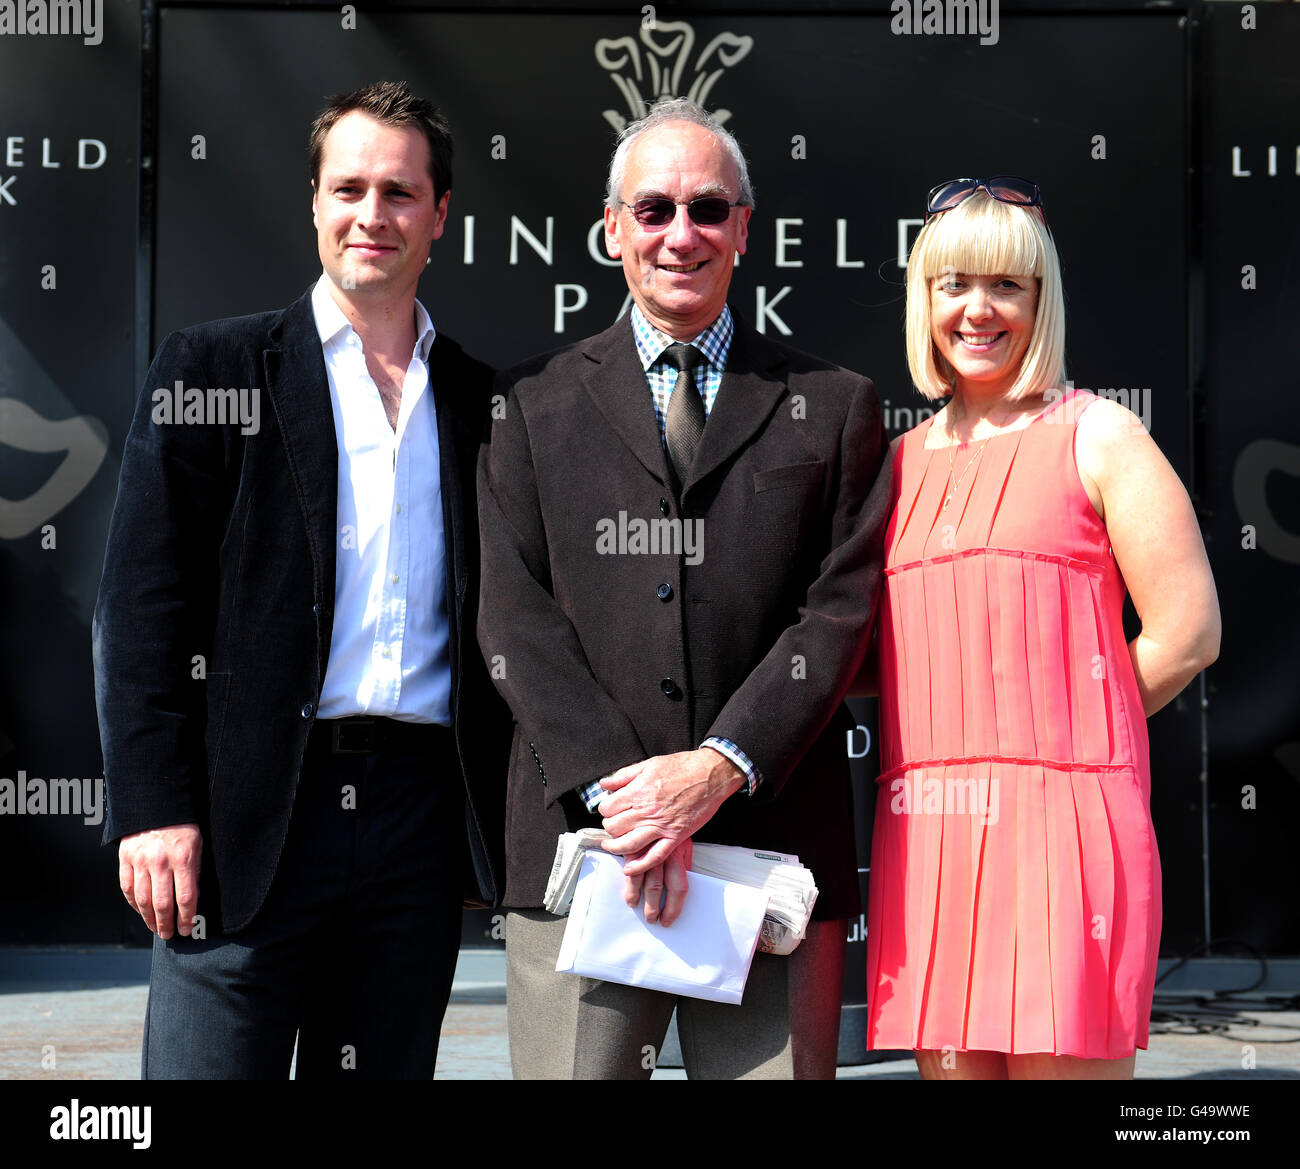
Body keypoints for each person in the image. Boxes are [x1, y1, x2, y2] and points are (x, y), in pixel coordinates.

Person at [92, 80, 507, 1079]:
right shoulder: (212, 366)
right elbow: (142, 605)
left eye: (401, 192)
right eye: (350, 187)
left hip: (413, 825)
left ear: (440, 214)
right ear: (314, 203)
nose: (374, 215)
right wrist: (152, 805)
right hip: (247, 815)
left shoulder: (484, 401)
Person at [477, 98, 890, 1080]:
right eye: (653, 208)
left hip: (773, 850)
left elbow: (837, 612)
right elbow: (512, 616)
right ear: (612, 227)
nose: (680, 233)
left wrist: (715, 768)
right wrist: (634, 801)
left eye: (708, 208)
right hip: (585, 848)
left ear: (745, 228)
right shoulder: (524, 403)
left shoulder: (833, 406)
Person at [863, 178, 1221, 1079]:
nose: (977, 309)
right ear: (925, 299)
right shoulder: (895, 465)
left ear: (1040, 300)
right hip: (930, 838)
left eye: (1006, 285)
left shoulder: (1099, 436)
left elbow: (1187, 632)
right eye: (953, 285)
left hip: (1066, 835)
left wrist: (1072, 735)